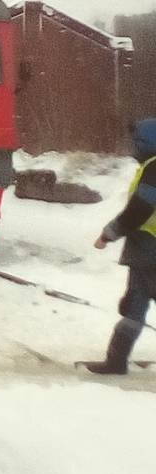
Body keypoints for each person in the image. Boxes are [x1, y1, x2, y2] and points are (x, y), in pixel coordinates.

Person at [84, 118, 156, 374]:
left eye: (135, 143)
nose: (132, 148)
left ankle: (116, 361)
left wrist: (109, 234)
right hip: (145, 250)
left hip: (150, 251)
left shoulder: (154, 170)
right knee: (134, 303)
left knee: (135, 304)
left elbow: (140, 209)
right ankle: (116, 360)